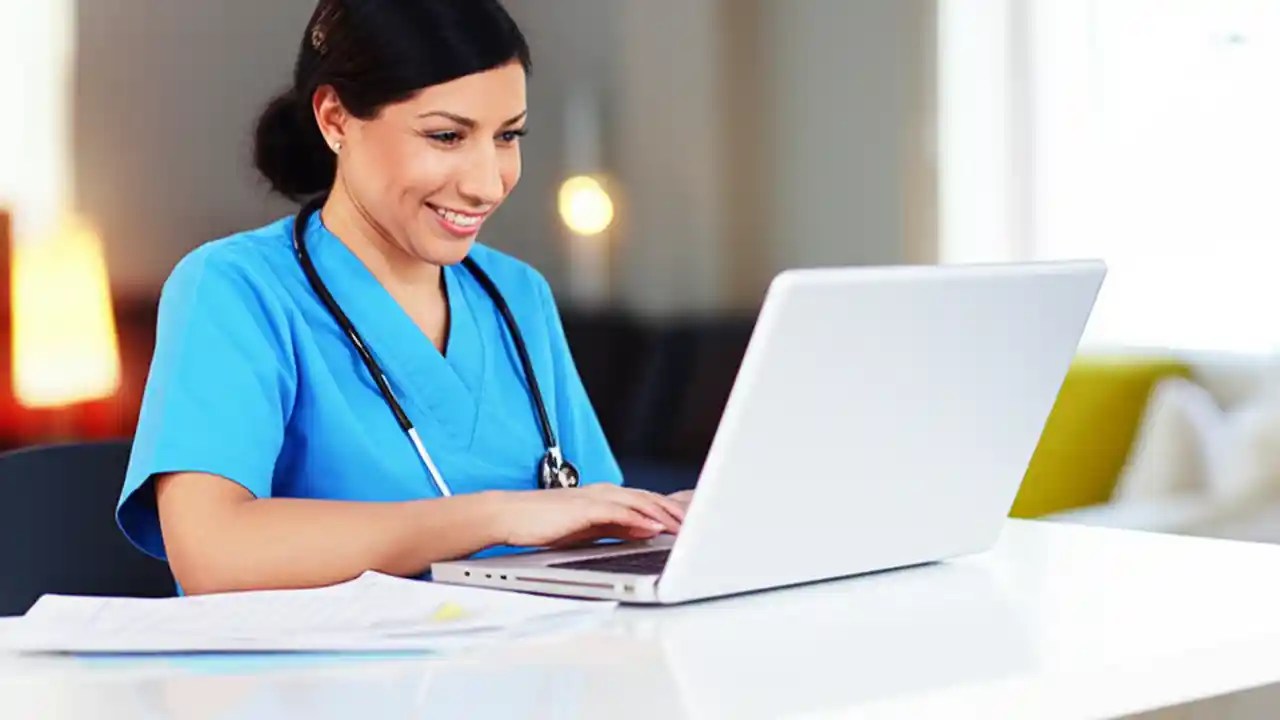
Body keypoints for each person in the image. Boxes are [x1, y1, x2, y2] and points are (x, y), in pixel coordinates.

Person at [116, 0, 689, 595]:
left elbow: (595, 524)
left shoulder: (517, 297)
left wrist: (667, 522)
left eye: (507, 136)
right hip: (315, 683)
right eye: (446, 136)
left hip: (524, 673)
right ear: (336, 118)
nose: (486, 183)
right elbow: (213, 554)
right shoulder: (237, 288)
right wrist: (493, 515)